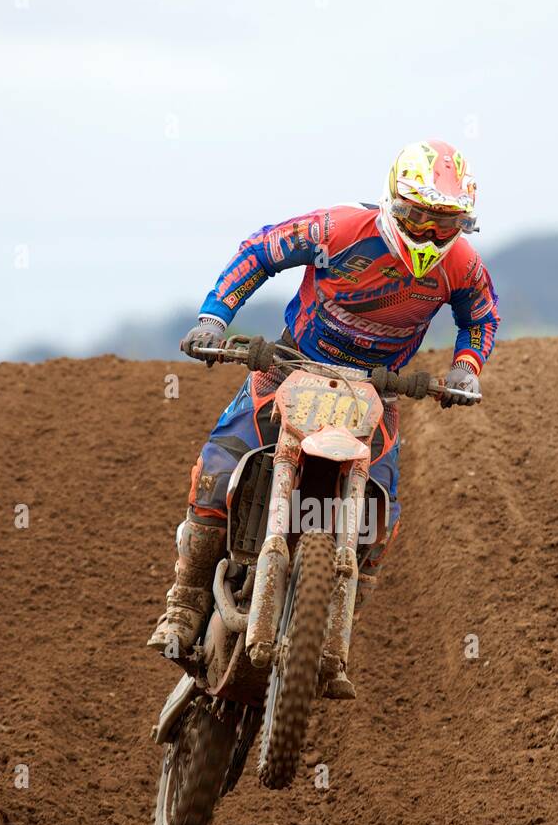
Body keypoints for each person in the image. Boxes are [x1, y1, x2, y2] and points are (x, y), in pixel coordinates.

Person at [148, 139, 500, 697]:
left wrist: (466, 367)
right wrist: (215, 318)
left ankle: (333, 636)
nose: (431, 234)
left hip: (376, 392)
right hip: (288, 367)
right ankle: (185, 602)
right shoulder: (337, 229)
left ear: (463, 223)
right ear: (394, 202)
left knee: (379, 520)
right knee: (218, 469)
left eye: (445, 222)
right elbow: (261, 251)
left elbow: (479, 316)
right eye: (420, 217)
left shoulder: (462, 265)